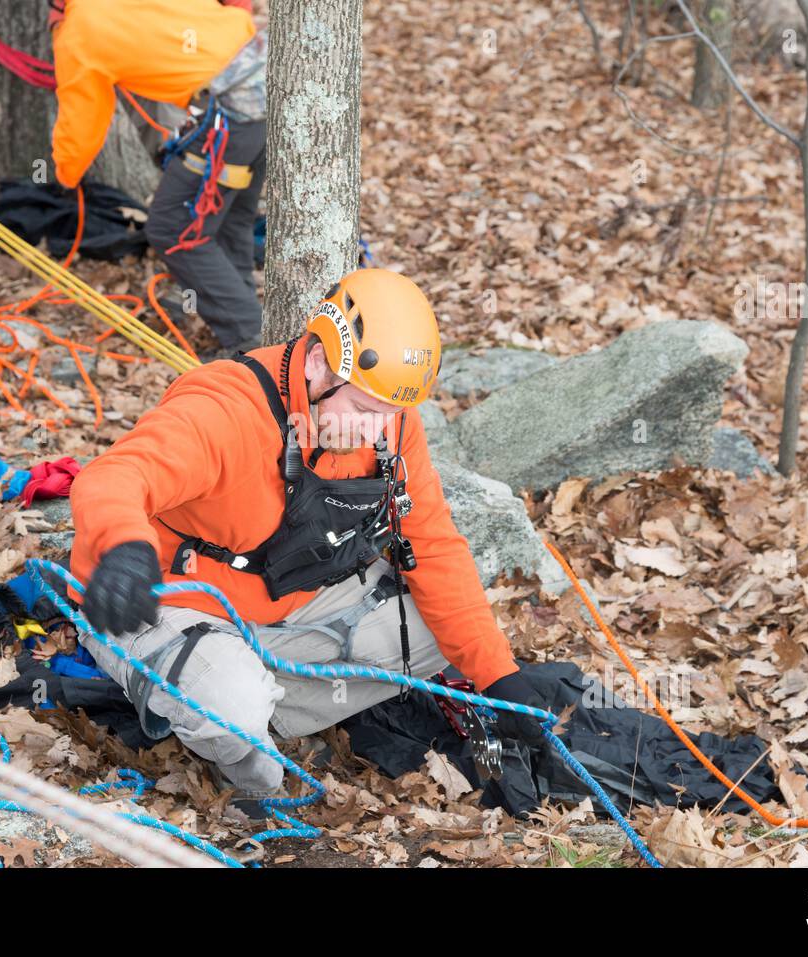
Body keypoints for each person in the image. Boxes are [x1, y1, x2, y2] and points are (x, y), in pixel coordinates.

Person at [68, 268, 547, 812]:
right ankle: (243, 745)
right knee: (235, 714)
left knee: (443, 636)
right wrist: (124, 547)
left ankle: (237, 693)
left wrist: (498, 675)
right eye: (366, 410)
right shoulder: (227, 407)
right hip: (165, 592)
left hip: (293, 598)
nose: (376, 432)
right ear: (318, 363)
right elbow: (115, 475)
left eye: (392, 415)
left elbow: (433, 544)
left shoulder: (389, 424)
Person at [49, 0, 266, 358]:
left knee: (174, 229)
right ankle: (252, 326)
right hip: (265, 75)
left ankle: (249, 341)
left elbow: (83, 120)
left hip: (230, 111)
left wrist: (65, 175)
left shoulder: (77, 33)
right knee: (230, 221)